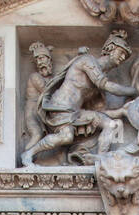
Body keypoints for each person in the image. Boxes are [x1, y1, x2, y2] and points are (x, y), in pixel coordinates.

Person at [20, 30, 132, 166]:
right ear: (110, 49)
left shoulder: (96, 87)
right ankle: (29, 154)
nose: (122, 59)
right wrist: (135, 90)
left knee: (110, 125)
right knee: (66, 136)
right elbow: (108, 86)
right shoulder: (87, 61)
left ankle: (99, 162)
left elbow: (100, 112)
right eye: (121, 53)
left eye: (125, 57)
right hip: (59, 108)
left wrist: (121, 111)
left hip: (74, 112)